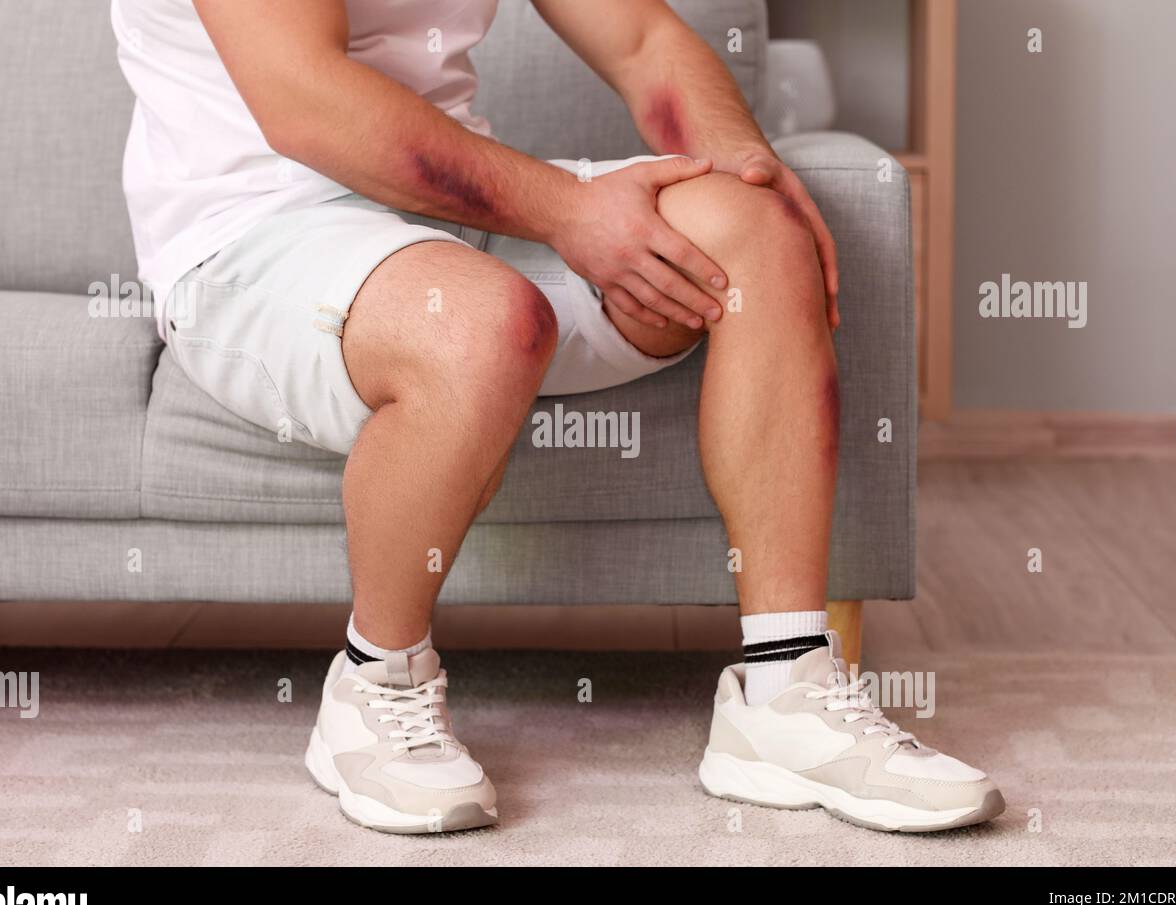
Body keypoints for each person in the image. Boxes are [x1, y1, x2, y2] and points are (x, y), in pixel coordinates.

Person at [112, 0, 1003, 834]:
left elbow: (642, 40)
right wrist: (569, 212)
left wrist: (745, 164)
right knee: (483, 323)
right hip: (254, 235)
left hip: (446, 211)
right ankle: (375, 680)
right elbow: (307, 103)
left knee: (754, 236)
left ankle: (785, 694)